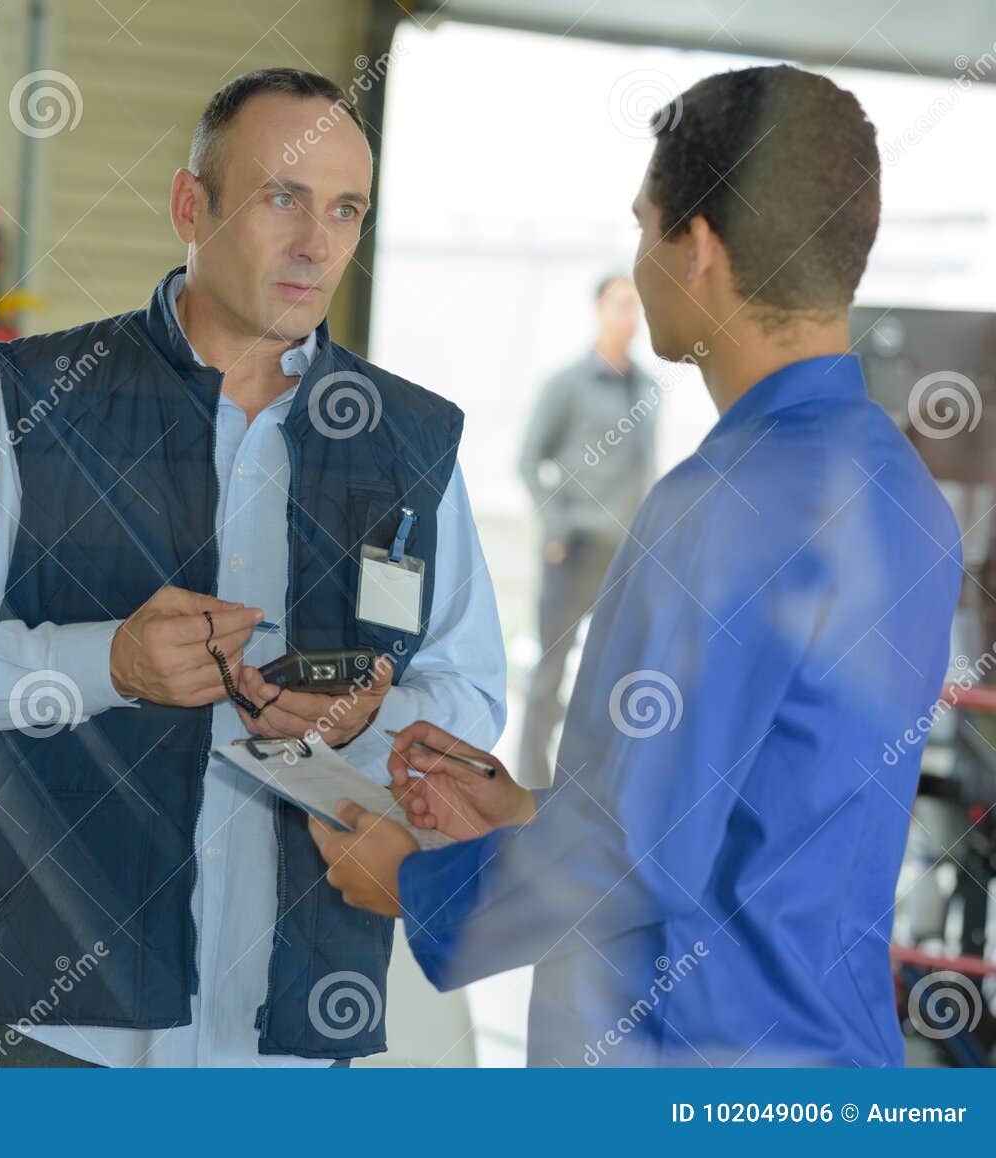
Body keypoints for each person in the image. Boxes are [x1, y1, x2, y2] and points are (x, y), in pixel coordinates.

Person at [309, 64, 962, 1067]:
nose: (639, 258)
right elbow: (754, 804)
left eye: (644, 226)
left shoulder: (723, 503)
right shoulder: (901, 491)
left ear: (697, 248)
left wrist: (410, 880)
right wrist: (531, 814)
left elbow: (640, 858)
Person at [0, 67, 506, 1067]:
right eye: (281, 198)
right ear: (188, 206)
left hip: (292, 1033)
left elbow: (469, 692)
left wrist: (373, 720)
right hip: (58, 1029)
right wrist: (104, 665)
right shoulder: (41, 405)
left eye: (345, 210)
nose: (315, 244)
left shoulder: (408, 443)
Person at [516, 275, 656, 785]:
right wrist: (556, 526)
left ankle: (590, 788)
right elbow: (530, 459)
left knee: (617, 675)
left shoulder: (647, 388)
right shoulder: (567, 384)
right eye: (621, 304)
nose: (631, 315)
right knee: (549, 676)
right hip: (573, 550)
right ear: (598, 309)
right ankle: (530, 788)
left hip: (625, 556)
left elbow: (647, 470)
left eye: (637, 306)